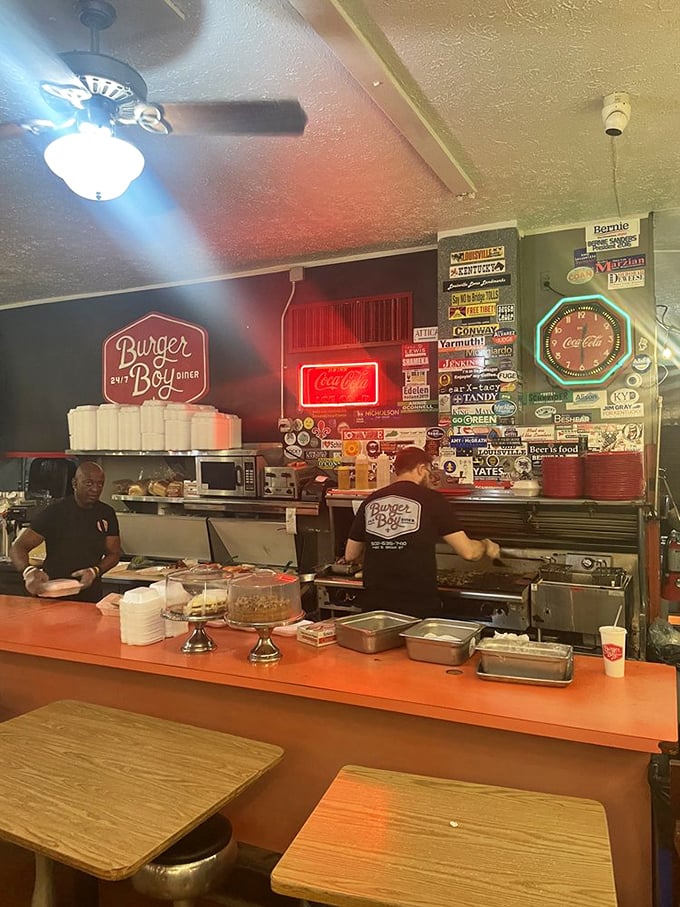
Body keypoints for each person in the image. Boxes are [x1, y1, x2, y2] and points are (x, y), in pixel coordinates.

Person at [344, 446, 500, 617]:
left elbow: (351, 555)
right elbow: (470, 553)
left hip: (374, 607)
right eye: (429, 469)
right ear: (421, 468)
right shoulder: (432, 499)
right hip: (416, 607)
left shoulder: (371, 499)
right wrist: (485, 545)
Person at [10, 462, 121, 603]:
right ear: (75, 483)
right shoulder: (55, 512)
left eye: (100, 484)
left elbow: (114, 553)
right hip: (52, 594)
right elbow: (18, 547)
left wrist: (95, 571)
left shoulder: (106, 513)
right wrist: (29, 571)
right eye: (89, 483)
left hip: (89, 596)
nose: (95, 489)